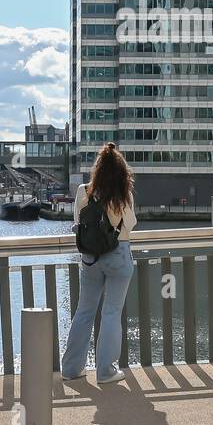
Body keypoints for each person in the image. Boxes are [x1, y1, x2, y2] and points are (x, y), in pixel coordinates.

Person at [61, 142, 137, 385]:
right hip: (118, 255)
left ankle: (71, 369)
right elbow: (131, 224)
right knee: (111, 312)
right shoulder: (123, 194)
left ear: (97, 169)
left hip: (91, 258)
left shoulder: (85, 191)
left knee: (84, 311)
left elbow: (77, 222)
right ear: (121, 171)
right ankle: (105, 372)